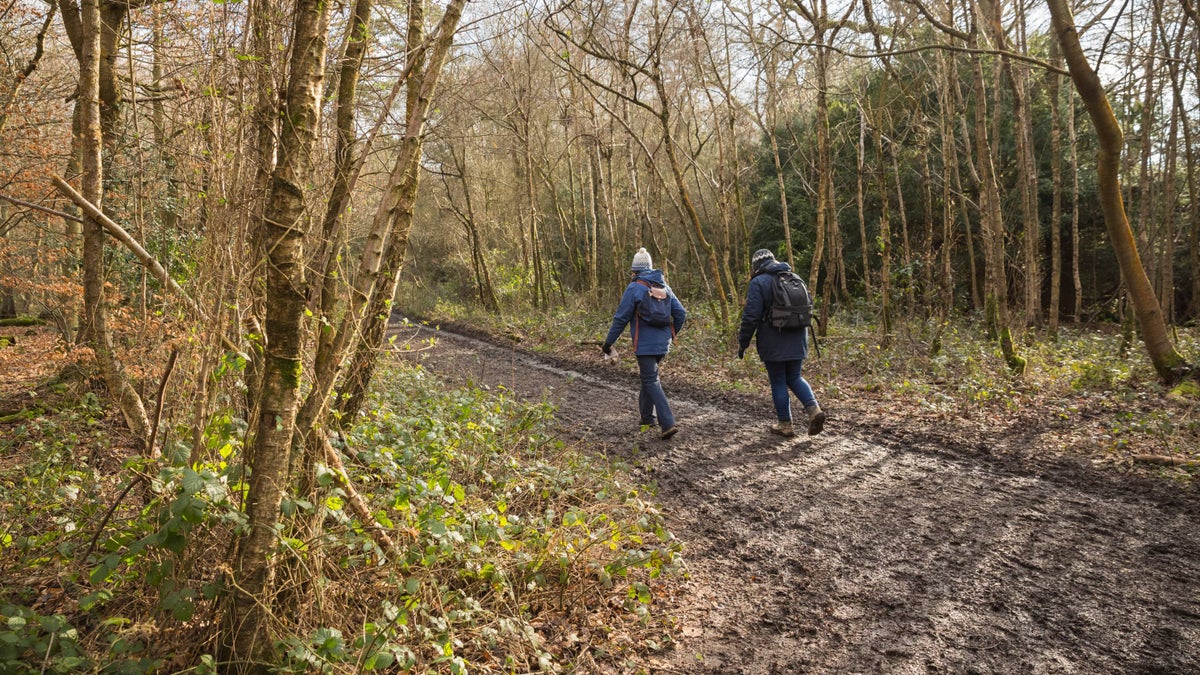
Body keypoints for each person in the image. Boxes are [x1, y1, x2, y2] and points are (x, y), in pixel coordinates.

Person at [737, 248, 826, 437]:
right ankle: (814, 410)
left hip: (773, 339)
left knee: (778, 380)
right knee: (795, 377)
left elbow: (751, 316)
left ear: (756, 266)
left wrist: (743, 342)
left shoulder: (758, 282)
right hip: (798, 336)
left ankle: (785, 424)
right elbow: (808, 305)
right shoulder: (794, 277)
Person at [601, 247, 687, 439]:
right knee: (648, 377)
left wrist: (608, 343)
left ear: (634, 270)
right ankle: (647, 417)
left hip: (644, 345)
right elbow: (681, 313)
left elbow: (621, 318)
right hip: (662, 345)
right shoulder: (665, 288)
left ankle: (668, 423)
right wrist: (671, 334)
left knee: (651, 379)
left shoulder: (634, 288)